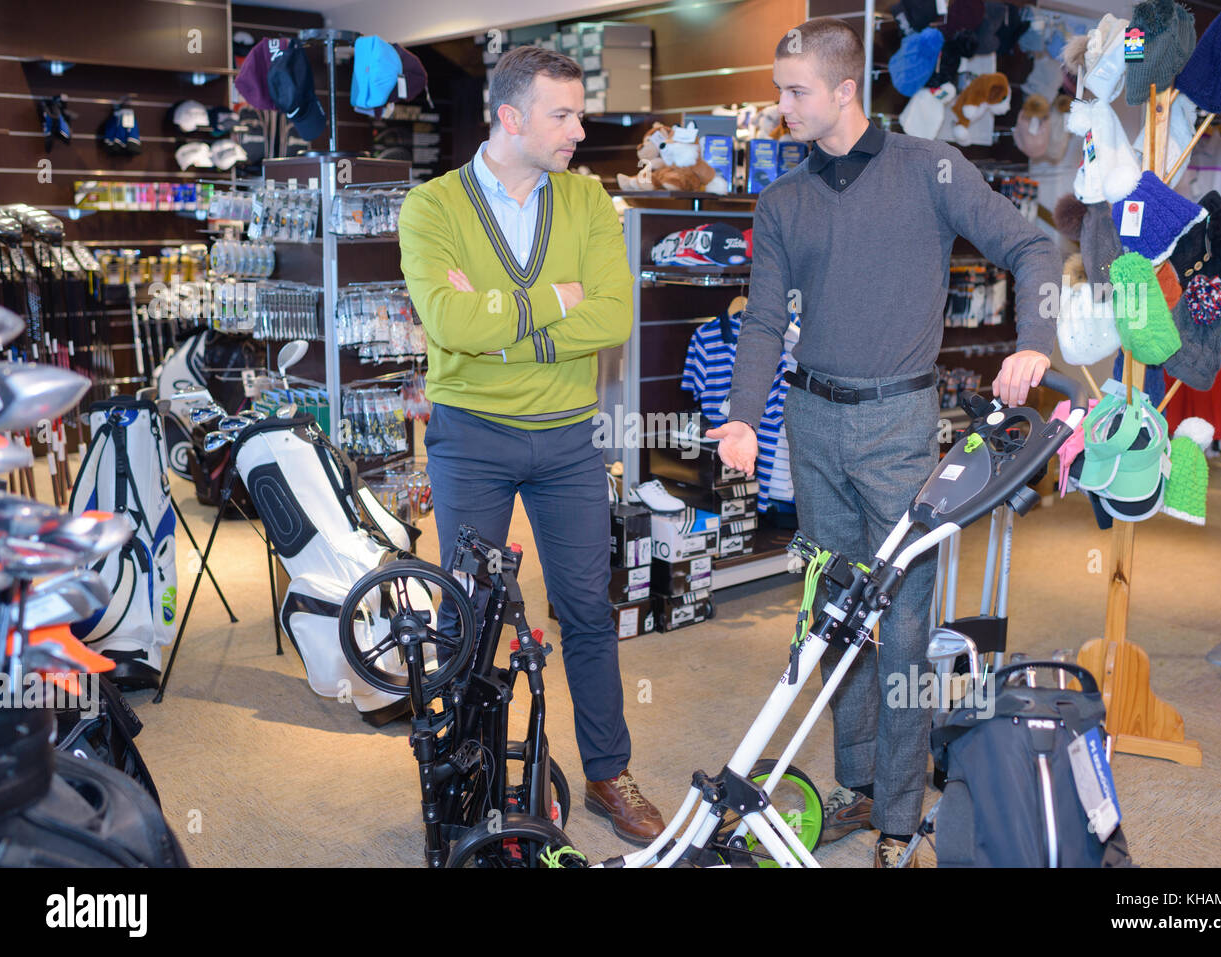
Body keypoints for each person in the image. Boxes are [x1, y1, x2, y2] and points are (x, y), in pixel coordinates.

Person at [710, 18, 1060, 867]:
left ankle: (900, 817)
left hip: (898, 427)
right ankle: (859, 784)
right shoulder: (783, 198)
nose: (781, 104)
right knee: (834, 621)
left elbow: (1034, 243)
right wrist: (743, 416)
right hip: (810, 422)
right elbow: (760, 322)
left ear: (843, 90)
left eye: (795, 90)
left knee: (901, 627)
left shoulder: (930, 168)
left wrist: (1034, 339)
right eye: (779, 88)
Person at [398, 45, 665, 846]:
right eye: (563, 114)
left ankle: (609, 773)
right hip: (468, 439)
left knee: (588, 608)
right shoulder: (432, 208)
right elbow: (449, 326)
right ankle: (472, 777)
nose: (579, 130)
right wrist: (553, 304)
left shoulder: (588, 202)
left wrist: (501, 328)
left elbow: (611, 317)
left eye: (579, 113)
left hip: (568, 439)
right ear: (510, 117)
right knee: (471, 619)